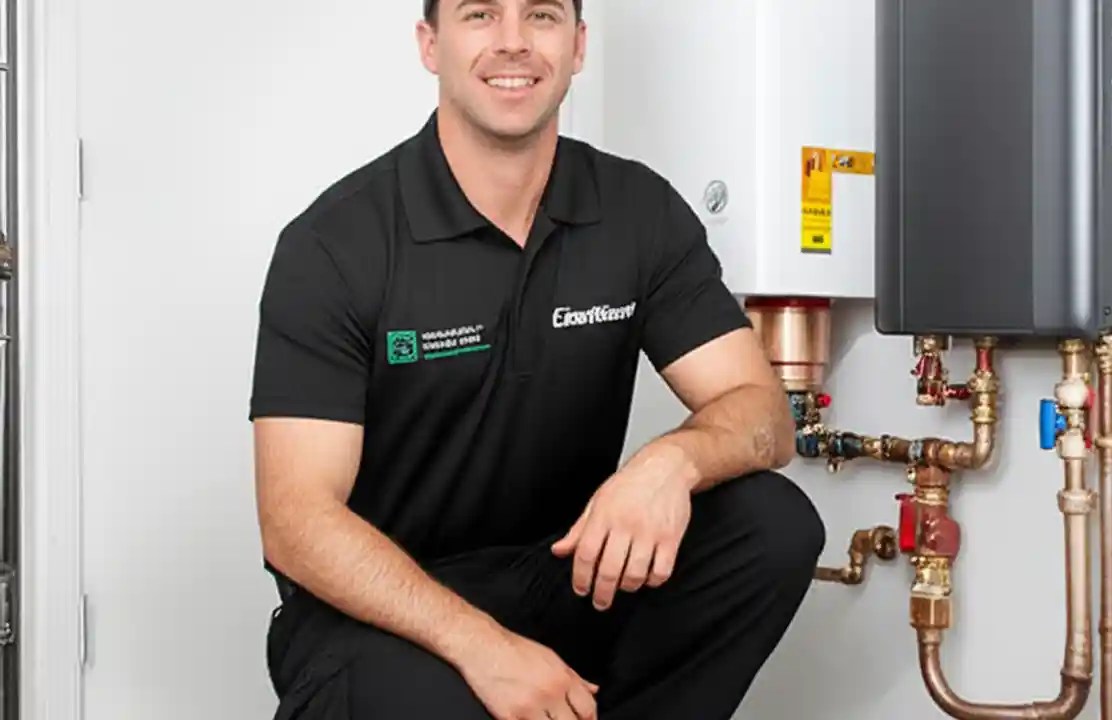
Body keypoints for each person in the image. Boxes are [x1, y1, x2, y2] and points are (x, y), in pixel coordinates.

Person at [248, 1, 825, 718]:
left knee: (771, 524)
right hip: (380, 612)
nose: (514, 43)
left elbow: (761, 409)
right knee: (429, 699)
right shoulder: (337, 245)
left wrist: (670, 463)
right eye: (481, 15)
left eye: (543, 15)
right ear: (431, 45)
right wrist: (484, 648)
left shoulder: (635, 210)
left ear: (579, 46)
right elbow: (296, 519)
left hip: (558, 575)